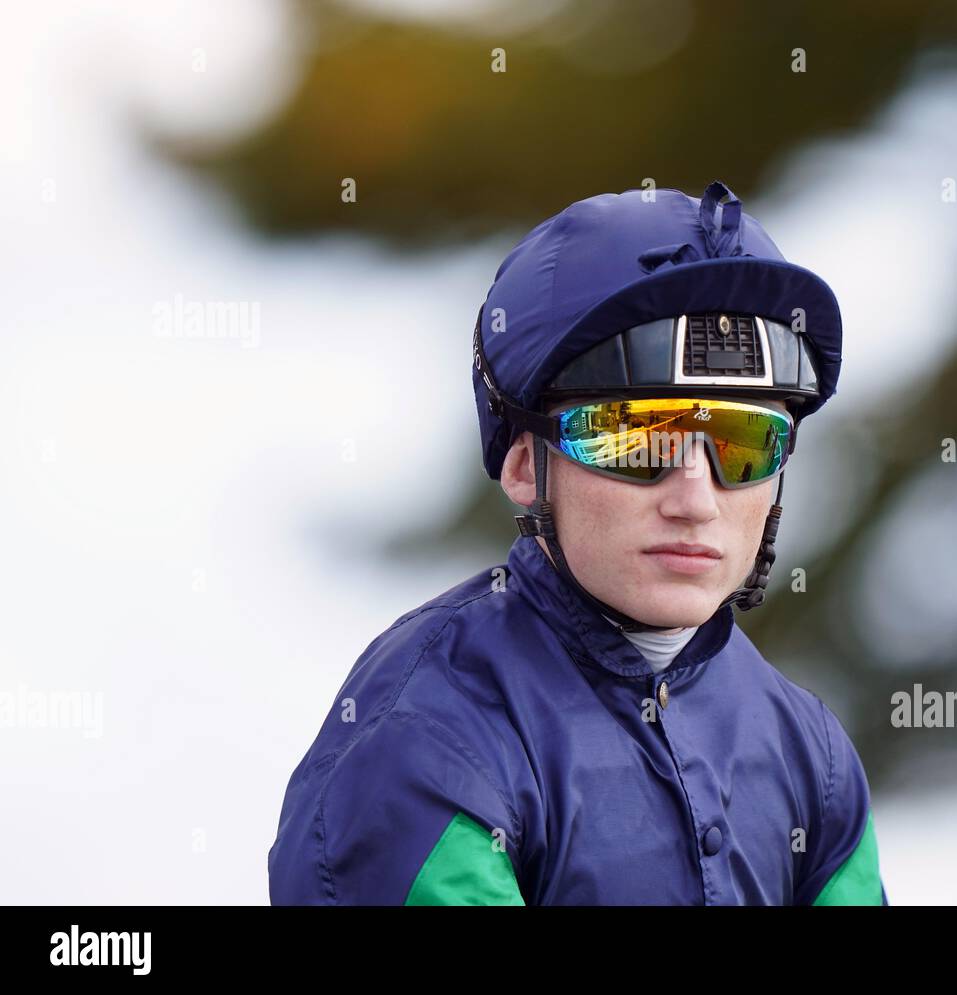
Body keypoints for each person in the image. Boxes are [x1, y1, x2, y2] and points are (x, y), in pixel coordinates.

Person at [268, 180, 887, 905]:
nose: (695, 499)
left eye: (743, 442)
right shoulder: (426, 740)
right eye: (634, 438)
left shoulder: (814, 756)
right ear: (525, 464)